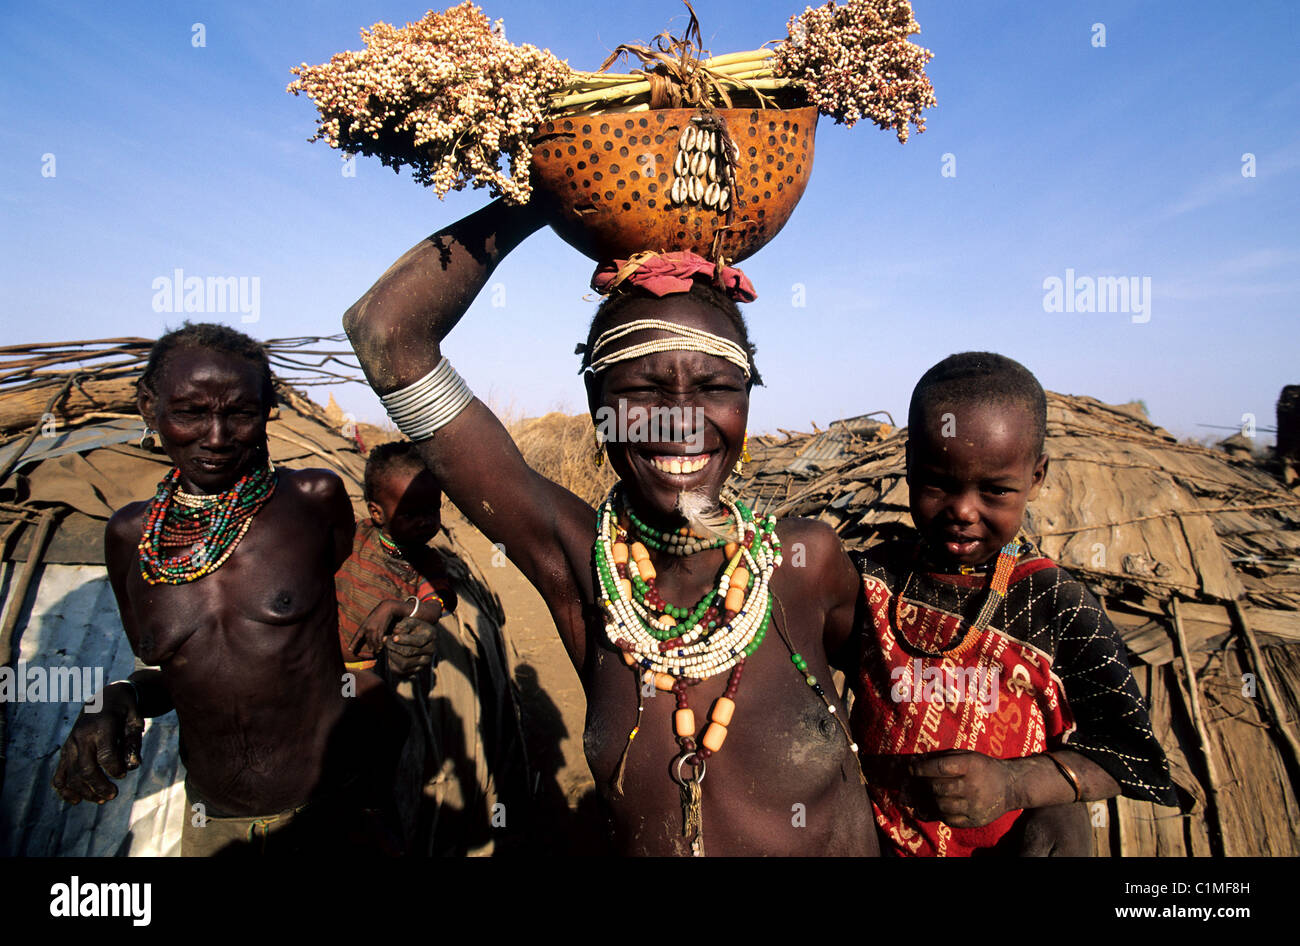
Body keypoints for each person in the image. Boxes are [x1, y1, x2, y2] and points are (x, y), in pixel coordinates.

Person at [343, 200, 877, 856]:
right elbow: (385, 332)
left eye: (716, 387)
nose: (682, 421)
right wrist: (538, 200)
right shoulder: (582, 568)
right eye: (645, 390)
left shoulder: (807, 564)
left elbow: (903, 696)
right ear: (599, 409)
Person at [50, 322, 403, 856]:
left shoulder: (313, 500)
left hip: (329, 811)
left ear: (267, 411)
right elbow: (176, 676)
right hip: (214, 827)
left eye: (239, 413)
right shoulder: (130, 538)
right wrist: (117, 695)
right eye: (191, 412)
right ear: (150, 406)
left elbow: (312, 639)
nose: (215, 438)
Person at [848, 351, 1178, 856]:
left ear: (1037, 477)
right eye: (939, 482)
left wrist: (1014, 785)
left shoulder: (1057, 603)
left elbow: (1130, 755)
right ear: (910, 464)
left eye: (996, 490)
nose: (963, 509)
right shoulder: (872, 581)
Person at [337, 440, 457, 676]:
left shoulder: (425, 561)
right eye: (411, 514)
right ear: (376, 513)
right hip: (321, 663)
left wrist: (396, 608)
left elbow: (435, 607)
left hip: (375, 673)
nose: (425, 521)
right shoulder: (355, 537)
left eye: (432, 509)